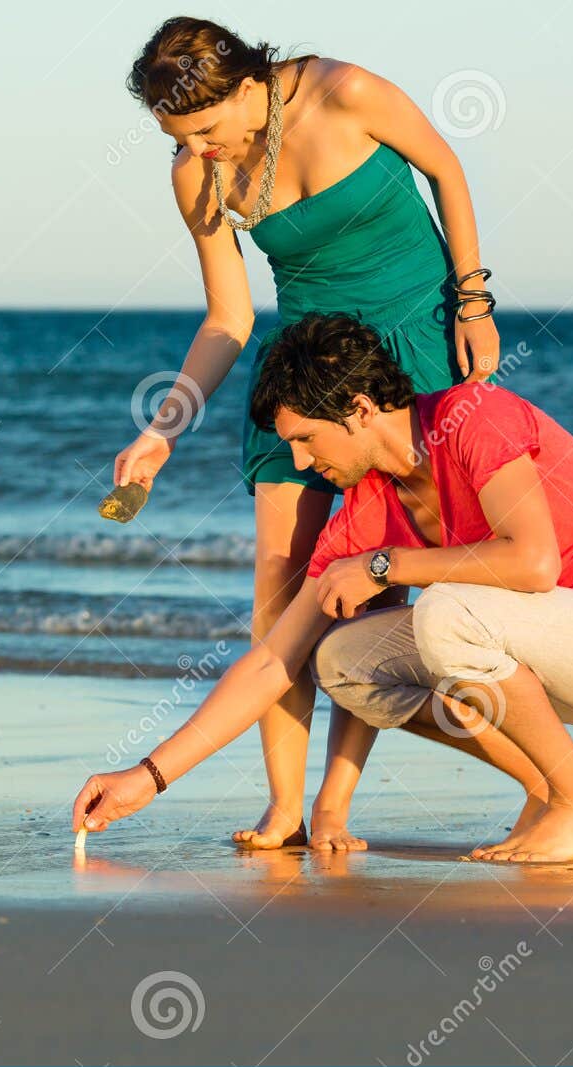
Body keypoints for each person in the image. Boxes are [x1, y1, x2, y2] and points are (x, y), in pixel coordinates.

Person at [74, 313, 573, 864]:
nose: (300, 463)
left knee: (446, 613)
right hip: (571, 656)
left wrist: (386, 567)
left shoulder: (471, 417)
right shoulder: (368, 506)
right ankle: (550, 790)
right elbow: (274, 661)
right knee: (342, 660)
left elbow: (533, 563)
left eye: (304, 439)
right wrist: (148, 776)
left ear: (357, 409)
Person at [114, 17, 501, 851]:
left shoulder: (347, 93)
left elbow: (446, 169)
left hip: (412, 354)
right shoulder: (197, 176)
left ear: (248, 85)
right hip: (300, 375)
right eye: (179, 140)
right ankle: (284, 805)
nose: (199, 154)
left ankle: (336, 804)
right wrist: (163, 431)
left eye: (206, 132)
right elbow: (228, 316)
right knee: (279, 584)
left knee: (376, 586)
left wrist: (473, 300)